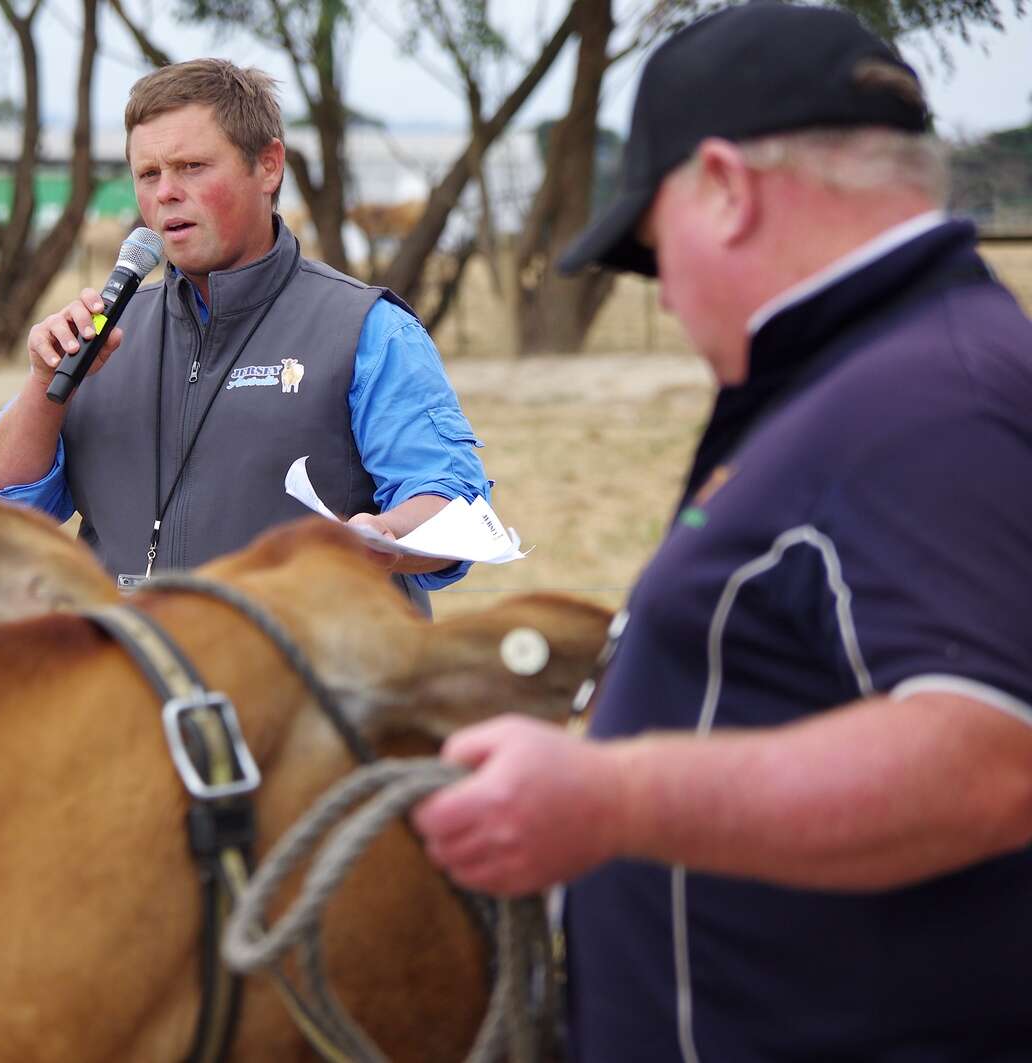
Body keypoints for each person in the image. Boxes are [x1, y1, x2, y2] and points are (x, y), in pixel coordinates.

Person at [411, 3, 1032, 1060]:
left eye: (655, 251)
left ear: (728, 190)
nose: (673, 298)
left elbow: (986, 756)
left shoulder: (925, 400)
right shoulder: (890, 372)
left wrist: (609, 798)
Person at [0, 59, 488, 612]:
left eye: (191, 167)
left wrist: (384, 539)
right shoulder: (102, 337)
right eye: (148, 174)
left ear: (268, 166)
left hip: (307, 684)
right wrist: (45, 386)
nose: (166, 193)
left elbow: (452, 506)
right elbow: (5, 514)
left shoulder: (366, 330)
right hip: (131, 677)